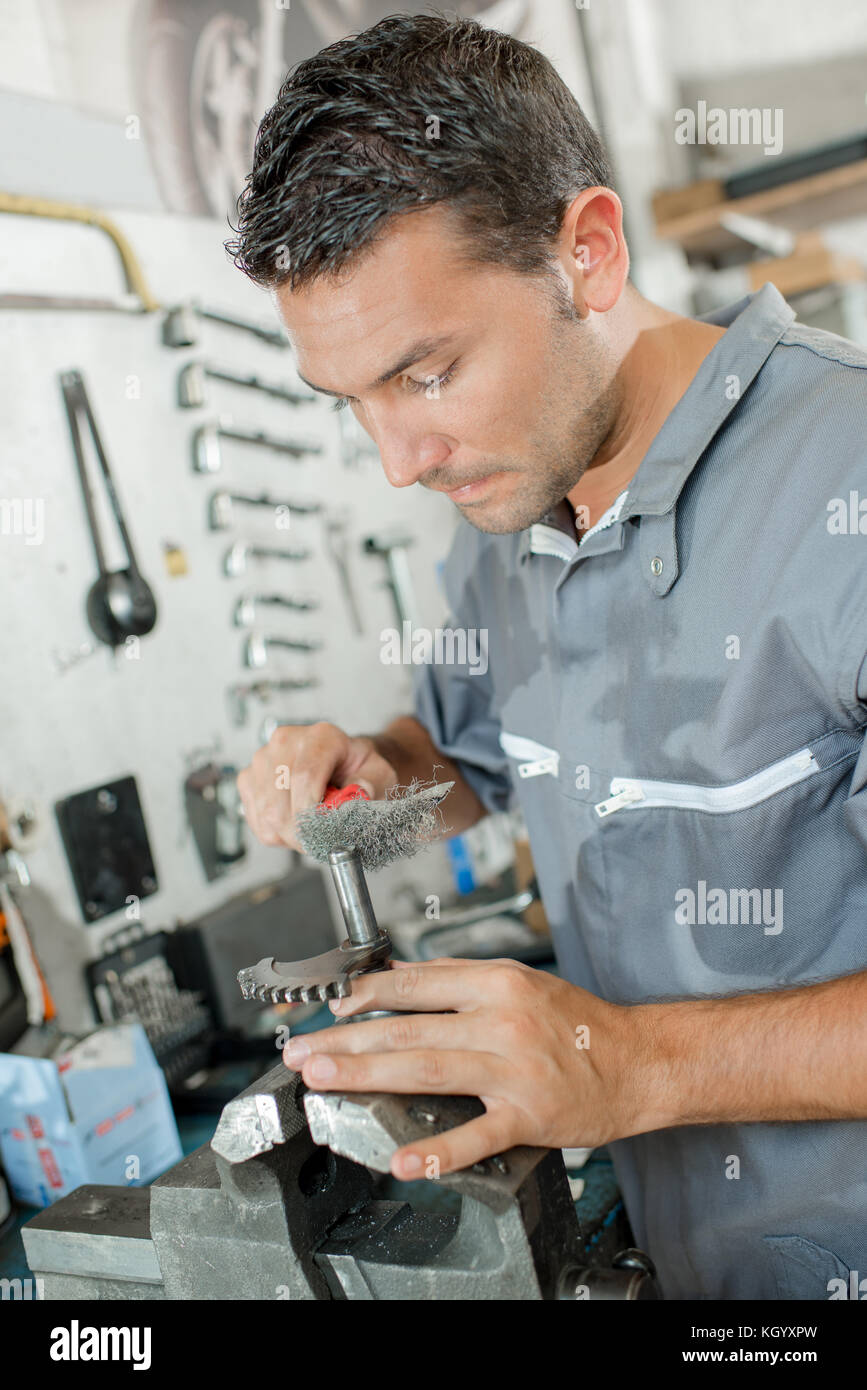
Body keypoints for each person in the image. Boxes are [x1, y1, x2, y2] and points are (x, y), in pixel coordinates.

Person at [231, 14, 867, 1300]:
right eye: (351, 402)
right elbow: (468, 756)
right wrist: (369, 775)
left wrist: (632, 1063)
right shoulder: (510, 502)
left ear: (586, 252)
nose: (397, 462)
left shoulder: (844, 484)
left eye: (426, 372)